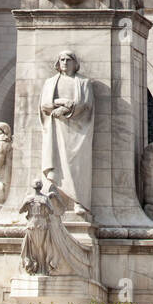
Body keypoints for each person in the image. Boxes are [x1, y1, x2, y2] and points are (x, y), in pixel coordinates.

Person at [39, 51, 95, 218]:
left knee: (77, 166)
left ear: (74, 63)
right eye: (61, 59)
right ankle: (53, 198)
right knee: (56, 163)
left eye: (68, 60)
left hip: (78, 132)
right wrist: (62, 102)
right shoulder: (50, 82)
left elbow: (85, 104)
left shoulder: (83, 82)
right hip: (56, 130)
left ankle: (79, 200)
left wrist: (67, 109)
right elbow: (45, 104)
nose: (64, 62)